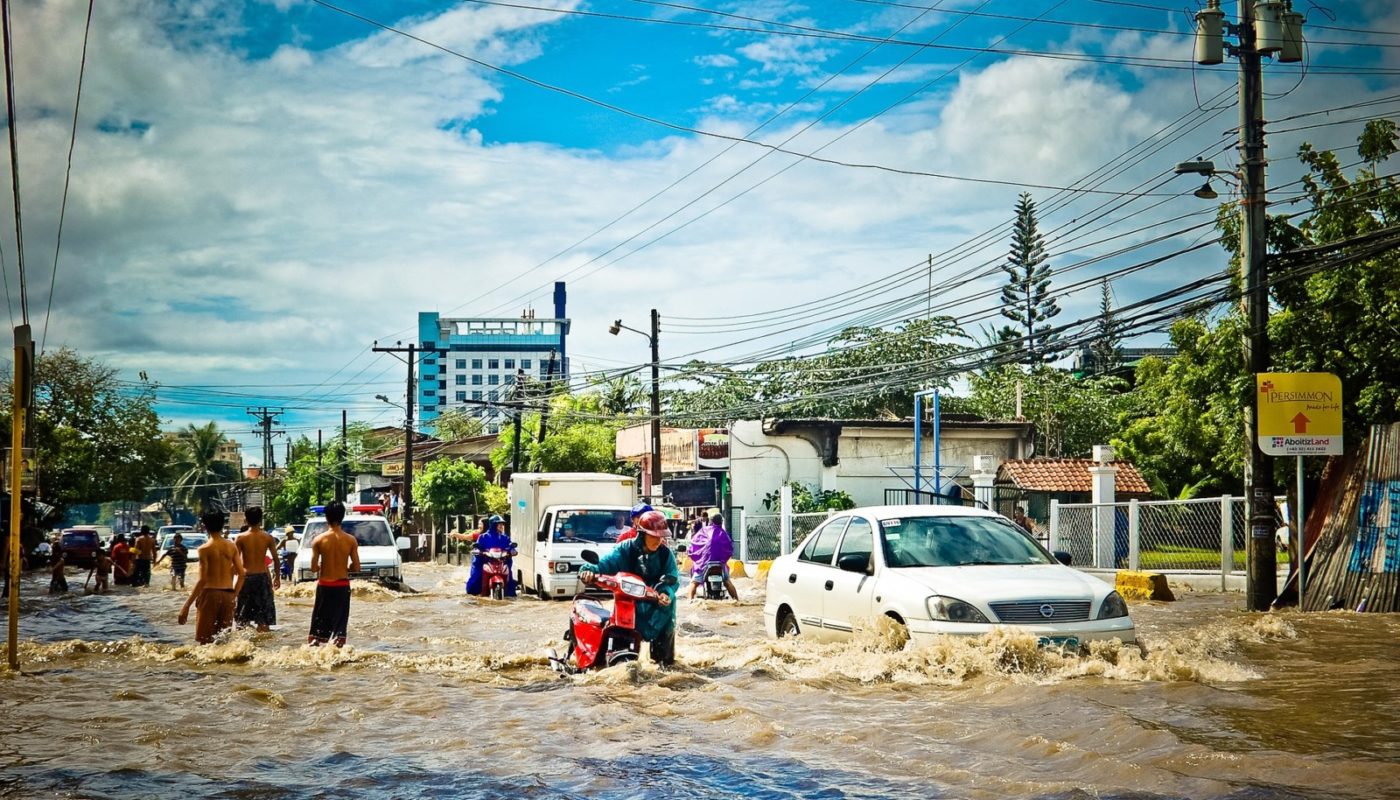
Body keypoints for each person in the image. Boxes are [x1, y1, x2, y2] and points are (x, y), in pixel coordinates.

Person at [579, 510, 678, 666]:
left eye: (661, 536)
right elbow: (605, 564)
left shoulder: (666, 555)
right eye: (653, 536)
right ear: (642, 534)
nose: (658, 540)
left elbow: (672, 578)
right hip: (631, 601)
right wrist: (589, 570)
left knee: (666, 663)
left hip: (658, 604)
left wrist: (666, 593)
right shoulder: (625, 549)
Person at [178, 510, 245, 645]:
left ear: (205, 526)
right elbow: (242, 574)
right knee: (223, 641)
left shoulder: (204, 549)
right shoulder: (231, 546)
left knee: (205, 642)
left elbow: (202, 580)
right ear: (222, 525)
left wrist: (186, 606)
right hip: (228, 595)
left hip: (210, 595)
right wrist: (234, 595)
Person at [307, 501, 359, 647]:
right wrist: (346, 567)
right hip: (342, 586)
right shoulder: (350, 540)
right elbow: (356, 567)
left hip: (325, 585)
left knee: (318, 628)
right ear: (342, 517)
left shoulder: (318, 540)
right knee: (339, 629)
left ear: (326, 517)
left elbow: (313, 568)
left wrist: (321, 566)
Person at [233, 507, 280, 632]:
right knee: (264, 620)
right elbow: (276, 559)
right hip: (262, 578)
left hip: (246, 579)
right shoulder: (267, 537)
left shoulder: (240, 538)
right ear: (260, 520)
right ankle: (264, 648)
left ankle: (241, 647)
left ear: (246, 520)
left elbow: (234, 562)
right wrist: (277, 578)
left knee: (242, 619)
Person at [687, 508, 739, 600]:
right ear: (721, 522)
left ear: (710, 521)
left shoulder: (704, 531)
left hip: (703, 564)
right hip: (720, 564)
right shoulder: (724, 534)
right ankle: (737, 600)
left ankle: (689, 601)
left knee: (694, 583)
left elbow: (694, 544)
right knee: (727, 582)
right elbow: (730, 549)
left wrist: (691, 552)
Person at [466, 515, 516, 596]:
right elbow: (477, 547)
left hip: (501, 562)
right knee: (477, 576)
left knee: (509, 576)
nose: (501, 526)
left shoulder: (505, 538)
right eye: (498, 524)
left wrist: (512, 551)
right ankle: (474, 591)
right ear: (493, 525)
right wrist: (479, 551)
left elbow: (510, 547)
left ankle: (510, 593)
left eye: (502, 524)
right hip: (486, 561)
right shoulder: (483, 537)